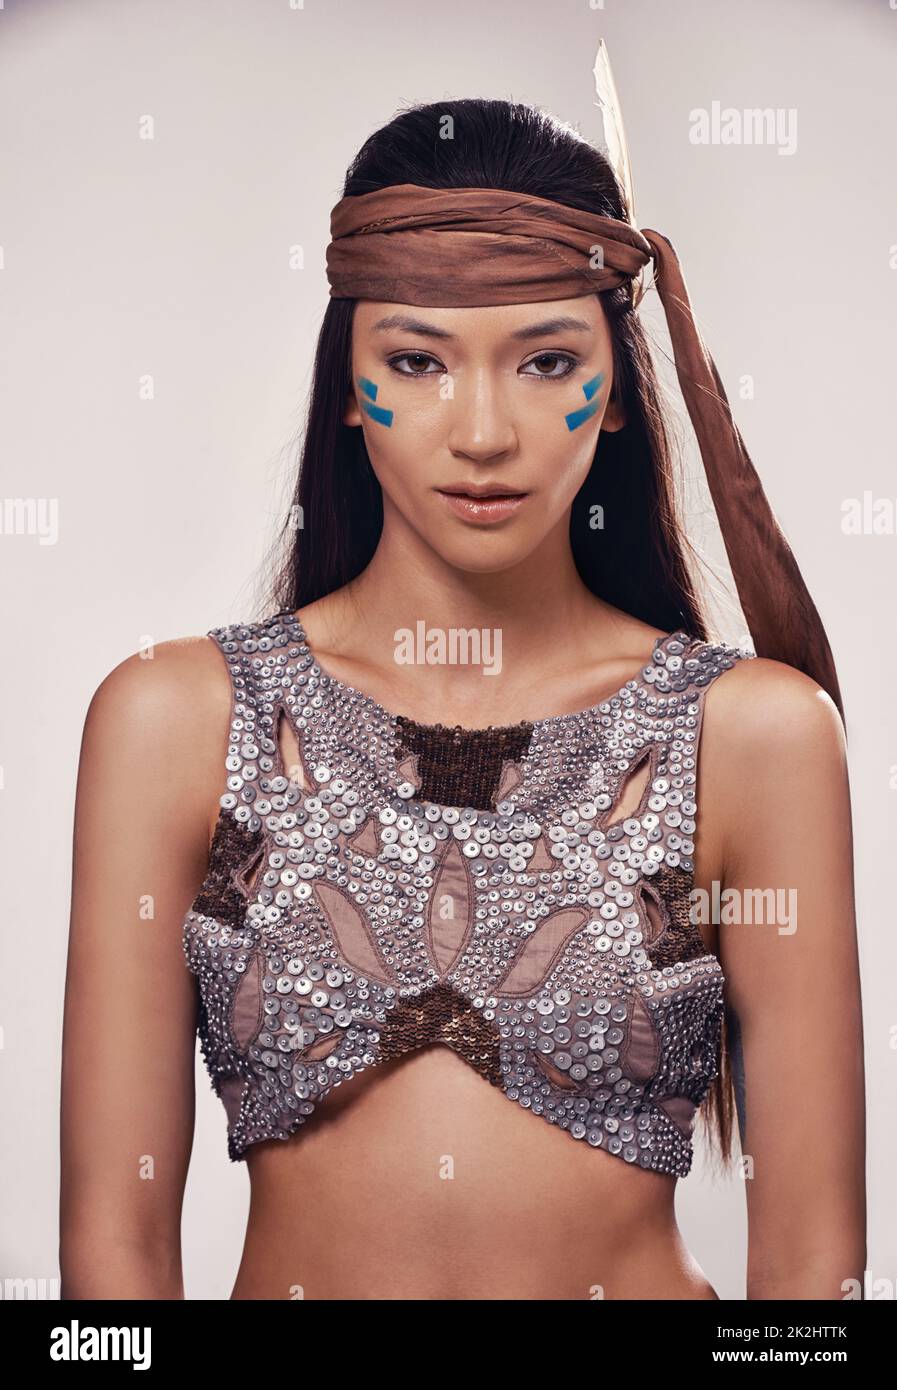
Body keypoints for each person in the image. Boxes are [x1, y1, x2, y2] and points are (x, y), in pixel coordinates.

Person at [59, 98, 865, 1301]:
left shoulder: (756, 733)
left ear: (620, 390)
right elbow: (109, 1271)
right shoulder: (172, 719)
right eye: (416, 361)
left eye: (549, 362)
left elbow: (815, 1286)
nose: (483, 431)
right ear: (347, 383)